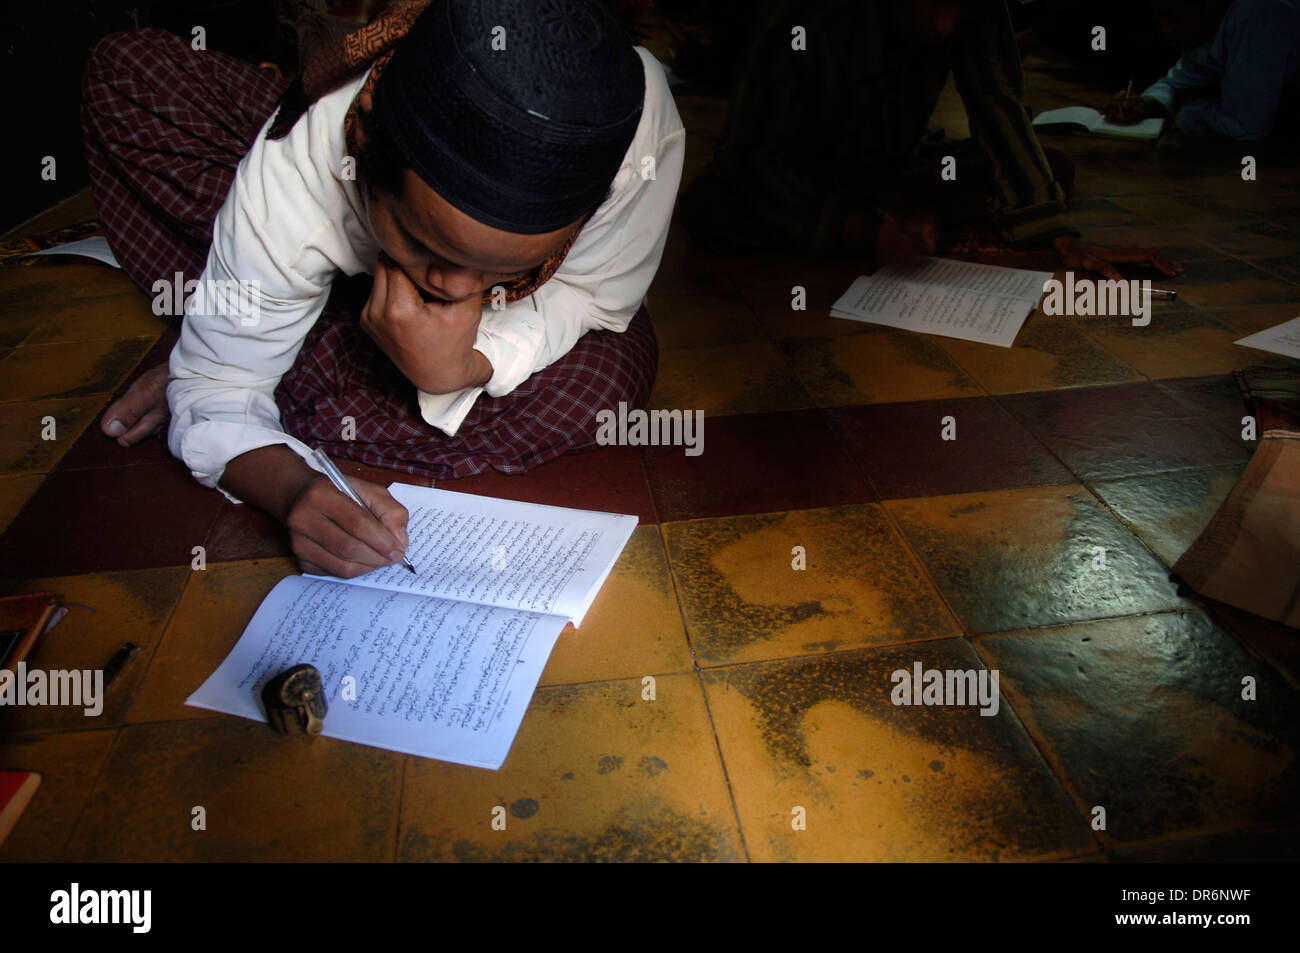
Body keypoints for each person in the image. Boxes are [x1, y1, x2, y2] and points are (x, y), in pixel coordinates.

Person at [80, 0, 684, 578]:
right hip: (301, 202)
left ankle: (270, 335)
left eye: (504, 267)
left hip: (390, 332)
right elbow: (221, 387)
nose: (455, 292)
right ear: (364, 152)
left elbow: (595, 294)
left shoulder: (637, 126)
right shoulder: (306, 156)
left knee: (604, 385)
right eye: (428, 246)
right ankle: (267, 326)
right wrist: (292, 486)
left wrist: (466, 365)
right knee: (129, 71)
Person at [681, 0, 1182, 280]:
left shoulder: (972, 12)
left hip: (886, 177)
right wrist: (856, 228)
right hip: (796, 182)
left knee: (1045, 173)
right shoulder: (804, 16)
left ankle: (900, 231)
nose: (947, 28)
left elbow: (998, 105)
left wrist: (1058, 238)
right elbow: (748, 156)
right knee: (716, 209)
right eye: (932, 7)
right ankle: (875, 234)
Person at [1104, 0, 1300, 141]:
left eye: (1173, 19)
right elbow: (1176, 83)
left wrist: (1187, 114)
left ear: (1210, 6)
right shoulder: (1209, 30)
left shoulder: (1255, 13)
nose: (1164, 31)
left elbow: (1244, 126)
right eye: (1159, 20)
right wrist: (1144, 105)